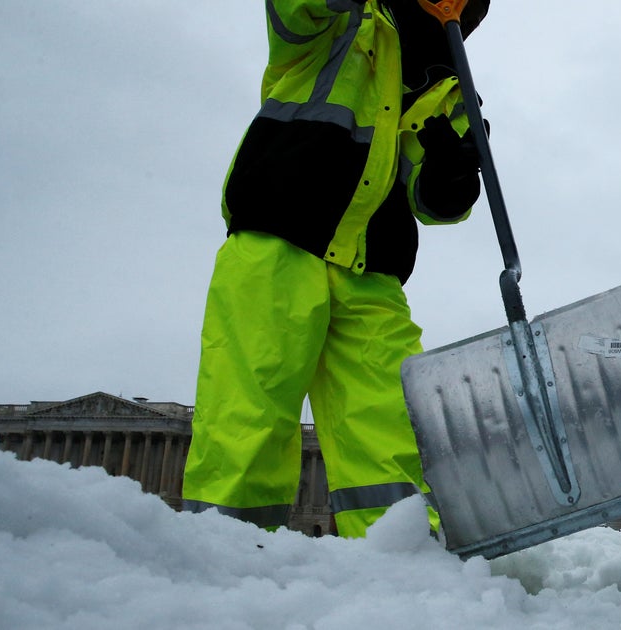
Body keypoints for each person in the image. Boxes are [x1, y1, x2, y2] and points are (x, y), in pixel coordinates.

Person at [182, 0, 490, 539]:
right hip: (279, 243)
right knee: (247, 418)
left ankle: (404, 564)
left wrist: (454, 174)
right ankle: (225, 560)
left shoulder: (453, 89)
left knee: (395, 431)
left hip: (372, 271)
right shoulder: (341, 22)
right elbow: (291, 8)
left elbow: (436, 204)